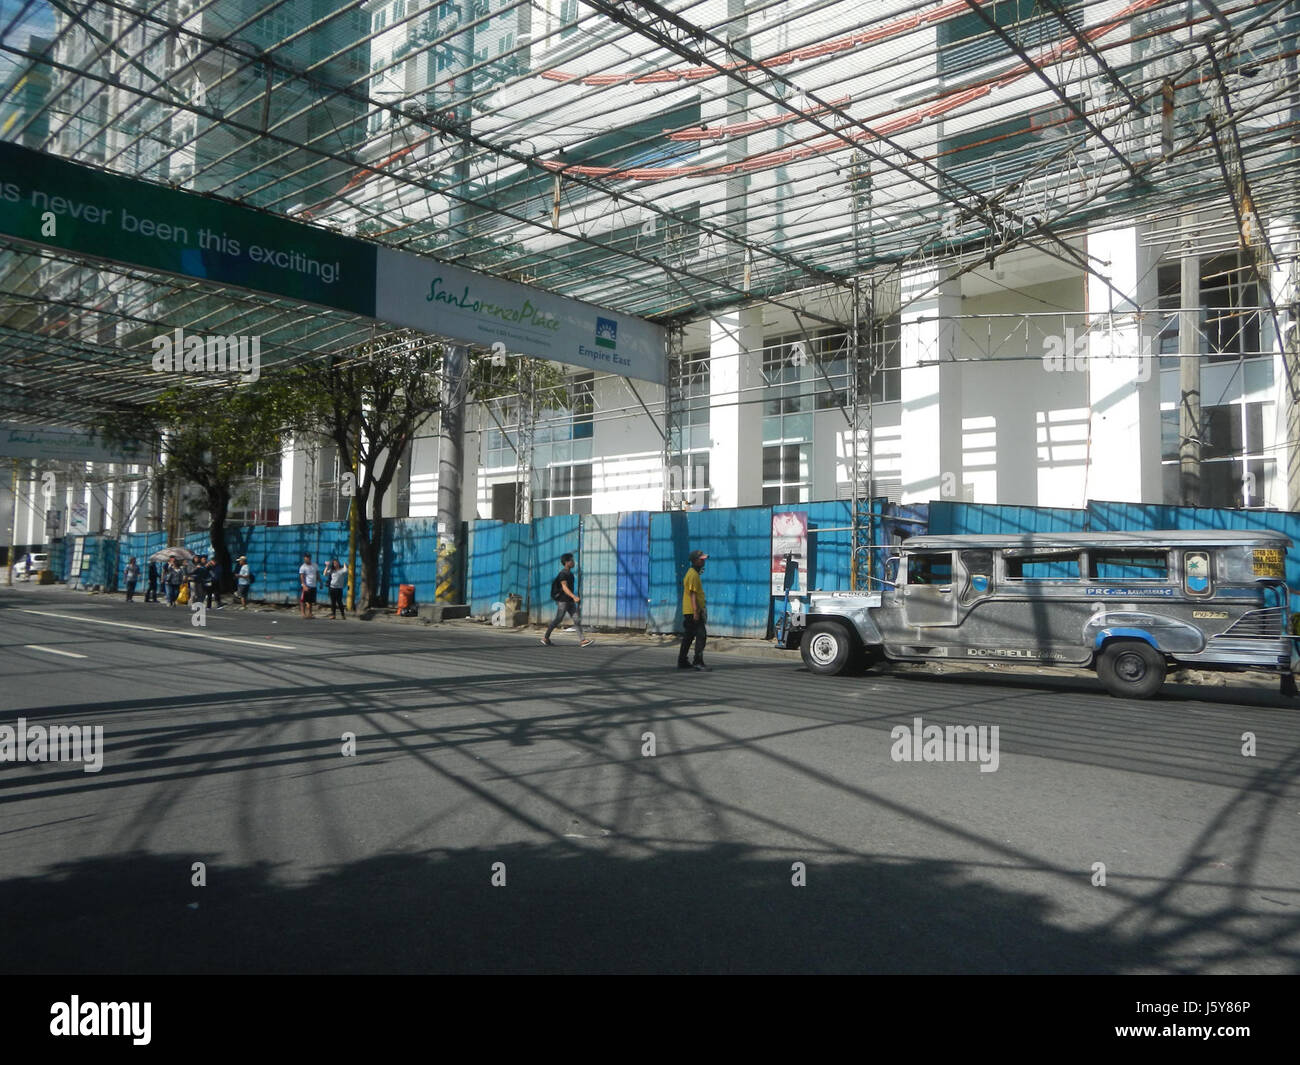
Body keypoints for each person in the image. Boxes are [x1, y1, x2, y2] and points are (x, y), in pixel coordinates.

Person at [540, 552, 592, 647]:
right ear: (567, 562)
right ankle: (546, 638)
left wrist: (572, 598)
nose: (573, 562)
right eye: (572, 560)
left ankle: (583, 640)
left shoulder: (570, 574)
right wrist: (574, 597)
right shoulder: (563, 574)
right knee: (558, 619)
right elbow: (564, 587)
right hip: (563, 601)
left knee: (576, 619)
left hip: (570, 601)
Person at [677, 549, 710, 671]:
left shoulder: (694, 574)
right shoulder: (692, 574)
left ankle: (682, 661)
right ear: (695, 561)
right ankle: (698, 661)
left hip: (691, 611)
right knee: (701, 635)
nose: (703, 562)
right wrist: (696, 611)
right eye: (701, 560)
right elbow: (692, 594)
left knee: (689, 636)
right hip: (692, 611)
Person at [299, 553, 319, 619]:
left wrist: (320, 582)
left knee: (310, 601)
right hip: (306, 585)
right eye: (306, 557)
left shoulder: (315, 565)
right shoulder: (303, 567)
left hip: (313, 585)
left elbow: (317, 574)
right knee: (303, 600)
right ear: (304, 558)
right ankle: (303, 613)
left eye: (308, 557)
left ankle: (310, 613)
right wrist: (303, 585)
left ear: (310, 558)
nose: (307, 558)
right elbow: (301, 577)